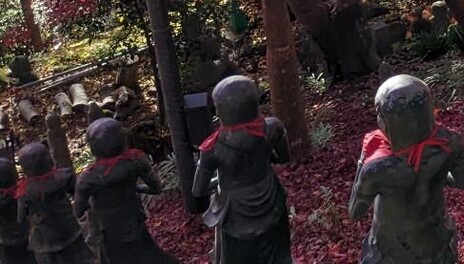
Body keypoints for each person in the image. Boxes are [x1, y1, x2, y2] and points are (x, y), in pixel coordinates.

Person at [349, 75, 464, 264]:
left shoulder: (378, 168)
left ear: (387, 121)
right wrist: (436, 175)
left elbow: (355, 212)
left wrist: (363, 157)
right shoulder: (451, 142)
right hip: (438, 244)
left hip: (390, 253)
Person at [191, 77, 292, 264]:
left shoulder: (213, 148)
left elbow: (198, 190)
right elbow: (284, 158)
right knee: (279, 254)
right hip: (272, 200)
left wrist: (217, 181)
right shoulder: (272, 127)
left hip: (235, 212)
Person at [74, 119, 177, 264]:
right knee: (144, 253)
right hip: (133, 217)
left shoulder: (87, 179)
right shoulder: (136, 161)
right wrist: (137, 188)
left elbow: (78, 210)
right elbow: (156, 188)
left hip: (107, 228)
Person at [13, 143, 86, 264]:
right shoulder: (63, 177)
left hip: (43, 240)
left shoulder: (25, 192)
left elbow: (21, 218)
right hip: (69, 230)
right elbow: (78, 196)